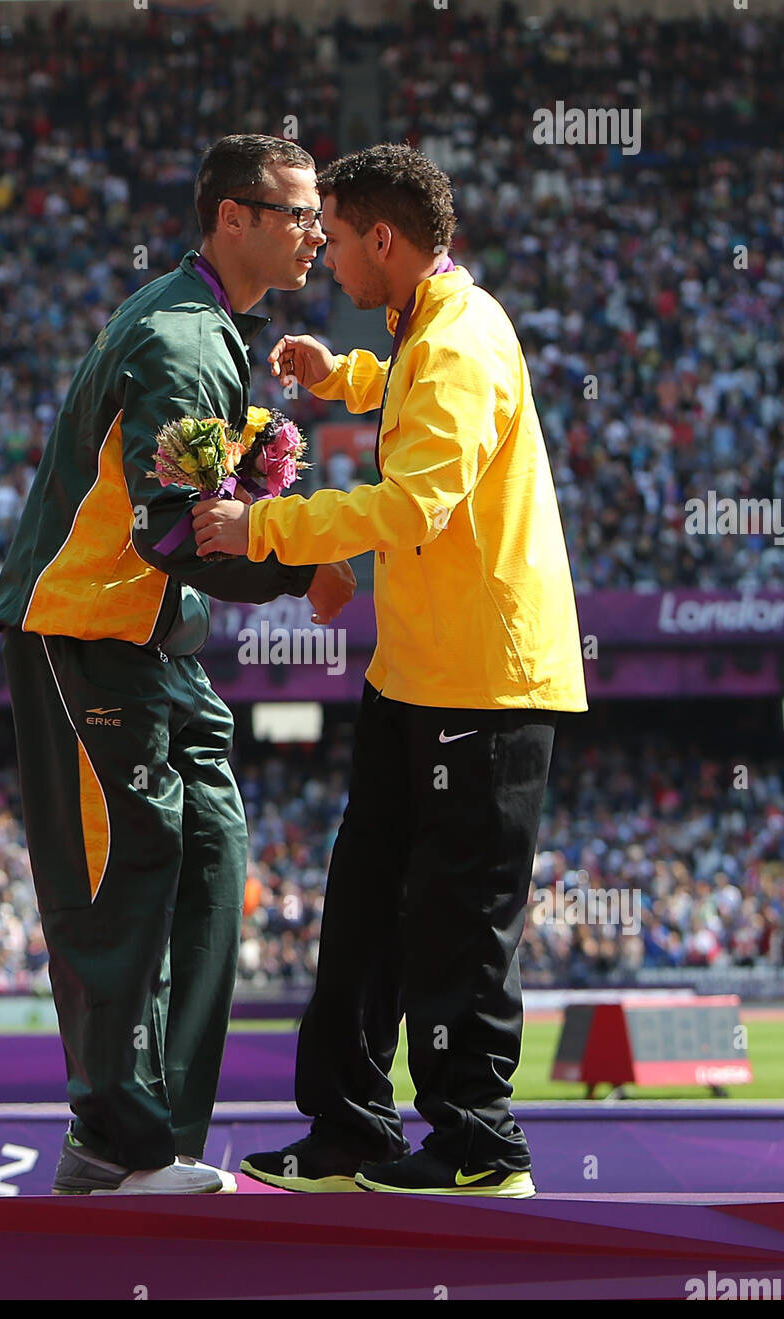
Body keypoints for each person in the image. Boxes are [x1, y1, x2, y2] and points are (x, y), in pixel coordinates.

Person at [193, 144, 588, 1196]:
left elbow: (417, 502)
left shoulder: (458, 342)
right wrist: (343, 377)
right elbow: (409, 389)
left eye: (333, 231)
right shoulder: (424, 332)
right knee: (365, 898)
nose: (320, 250)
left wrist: (265, 526)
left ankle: (478, 1146)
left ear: (384, 240)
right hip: (416, 671)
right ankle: (349, 1130)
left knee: (454, 914)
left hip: (483, 681)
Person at [0, 134, 355, 1196]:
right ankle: (116, 1141)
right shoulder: (183, 339)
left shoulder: (215, 329)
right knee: (121, 877)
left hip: (153, 641)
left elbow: (189, 528)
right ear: (229, 217)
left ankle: (160, 1142)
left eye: (315, 217)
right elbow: (172, 531)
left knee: (209, 863)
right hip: (87, 631)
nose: (311, 234)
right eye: (294, 214)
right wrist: (299, 562)